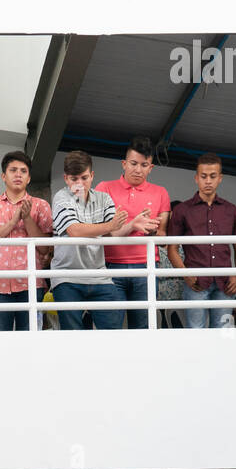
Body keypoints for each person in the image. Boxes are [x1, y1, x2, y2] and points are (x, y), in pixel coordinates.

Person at [50, 150, 152, 330]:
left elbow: (114, 232)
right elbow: (74, 230)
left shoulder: (103, 198)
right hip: (66, 277)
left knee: (112, 332)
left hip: (99, 276)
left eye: (84, 178)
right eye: (74, 179)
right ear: (66, 179)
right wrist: (109, 226)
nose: (80, 184)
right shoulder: (61, 197)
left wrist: (132, 225)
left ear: (92, 176)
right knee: (71, 336)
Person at [0, 150, 53, 330]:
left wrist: (27, 219)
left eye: (23, 171)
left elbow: (45, 249)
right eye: (13, 170)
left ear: (29, 178)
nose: (18, 174)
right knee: (1, 339)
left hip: (31, 282)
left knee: (31, 337)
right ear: (3, 176)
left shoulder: (41, 205)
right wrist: (11, 223)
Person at [97, 137, 169, 329]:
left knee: (144, 329)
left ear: (151, 167)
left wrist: (151, 232)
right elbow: (99, 233)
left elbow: (162, 238)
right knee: (110, 328)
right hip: (110, 266)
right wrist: (133, 225)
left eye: (144, 165)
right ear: (124, 164)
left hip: (147, 267)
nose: (138, 170)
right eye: (133, 163)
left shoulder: (161, 192)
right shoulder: (104, 188)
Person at [167, 155, 236, 329]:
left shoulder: (230, 210)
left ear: (220, 178)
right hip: (195, 283)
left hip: (226, 283)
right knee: (196, 333)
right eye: (203, 176)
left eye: (213, 176)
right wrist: (185, 274)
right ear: (196, 178)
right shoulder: (182, 210)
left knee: (224, 334)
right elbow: (172, 249)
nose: (208, 181)